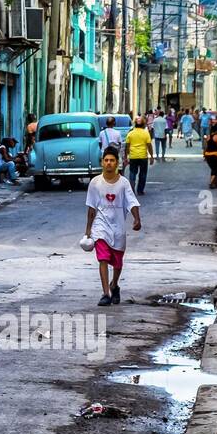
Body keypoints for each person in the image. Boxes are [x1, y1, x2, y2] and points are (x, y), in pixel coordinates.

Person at [84, 145, 142, 307]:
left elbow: (132, 202)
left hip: (118, 228)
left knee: (117, 262)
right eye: (106, 160)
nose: (109, 163)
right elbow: (91, 207)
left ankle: (114, 284)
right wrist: (89, 229)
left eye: (112, 160)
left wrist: (137, 219)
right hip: (100, 227)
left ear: (117, 163)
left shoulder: (123, 183)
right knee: (102, 258)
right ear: (102, 162)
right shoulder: (95, 183)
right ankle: (105, 294)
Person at [123, 115, 153, 194]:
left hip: (133, 156)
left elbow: (127, 146)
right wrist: (152, 156)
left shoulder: (130, 133)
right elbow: (149, 145)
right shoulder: (146, 133)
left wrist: (125, 157)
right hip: (143, 156)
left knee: (132, 173)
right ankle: (140, 190)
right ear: (143, 124)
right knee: (143, 174)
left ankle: (132, 188)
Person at [202, 123, 217, 188]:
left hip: (207, 154)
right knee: (216, 169)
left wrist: (204, 154)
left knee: (213, 168)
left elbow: (205, 147)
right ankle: (211, 182)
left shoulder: (208, 136)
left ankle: (216, 183)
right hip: (216, 154)